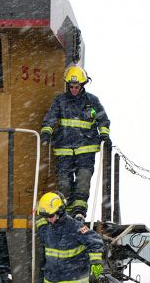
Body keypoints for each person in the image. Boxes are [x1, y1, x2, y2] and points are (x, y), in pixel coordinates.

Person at [40, 64, 111, 222]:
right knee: (64, 183)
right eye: (71, 86)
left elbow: (103, 120)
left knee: (83, 180)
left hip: (86, 149)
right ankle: (67, 213)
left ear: (82, 85)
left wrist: (105, 135)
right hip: (64, 149)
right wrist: (46, 131)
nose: (73, 89)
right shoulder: (60, 101)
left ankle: (79, 213)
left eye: (76, 86)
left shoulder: (92, 101)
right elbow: (51, 117)